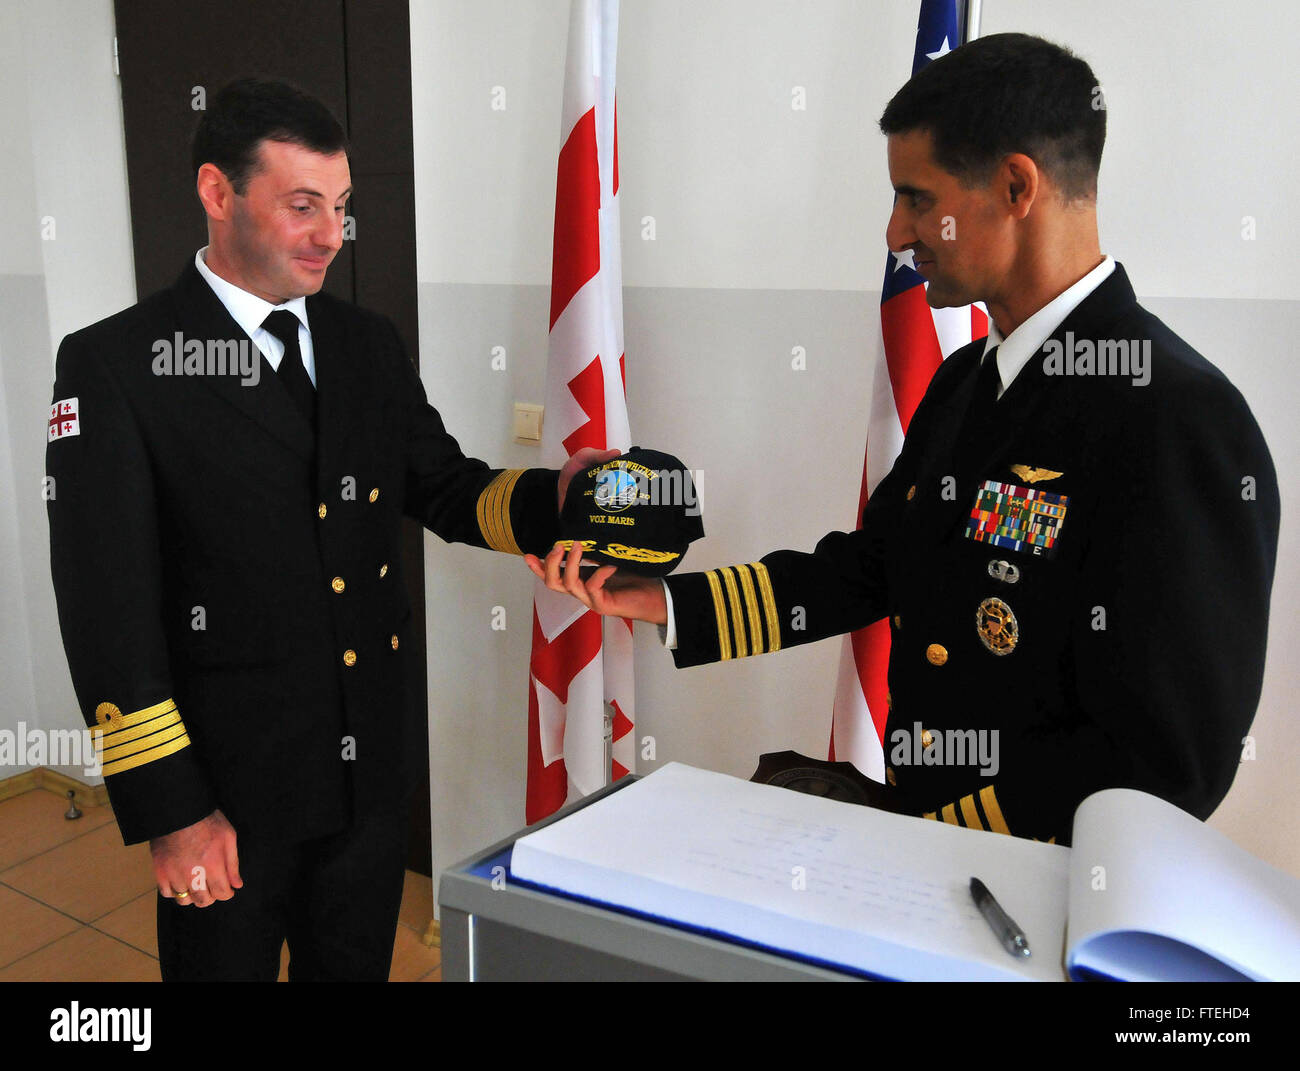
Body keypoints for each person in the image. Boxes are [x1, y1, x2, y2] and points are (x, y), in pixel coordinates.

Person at [529, 34, 1280, 846]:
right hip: (931, 860)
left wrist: (930, 830)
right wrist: (664, 602)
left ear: (1015, 185)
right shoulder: (965, 386)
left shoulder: (1177, 418)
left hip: (1047, 886)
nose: (895, 233)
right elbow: (874, 568)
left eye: (917, 199)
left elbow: (1173, 762)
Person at [46, 77, 598, 981]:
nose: (331, 234)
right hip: (226, 791)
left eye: (341, 206)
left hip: (365, 775)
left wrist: (557, 499)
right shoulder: (116, 364)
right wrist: (174, 812)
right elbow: (108, 616)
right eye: (303, 206)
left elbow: (445, 485)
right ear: (216, 193)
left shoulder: (363, 342)